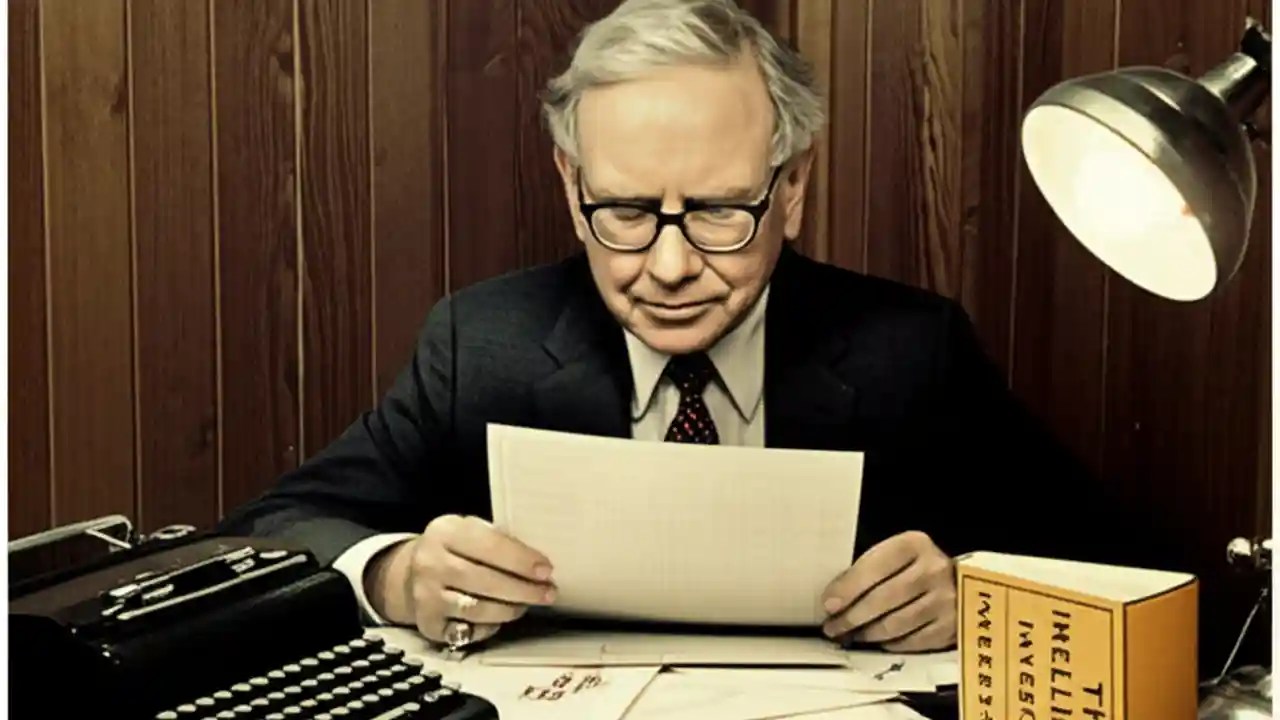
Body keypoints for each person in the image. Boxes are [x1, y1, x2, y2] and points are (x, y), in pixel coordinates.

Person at [217, 0, 1163, 656]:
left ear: (792, 187)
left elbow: (1131, 569)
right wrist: (395, 574)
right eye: (626, 211)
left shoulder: (913, 353)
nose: (668, 268)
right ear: (570, 185)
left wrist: (981, 596)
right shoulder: (480, 345)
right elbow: (263, 533)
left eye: (717, 211)